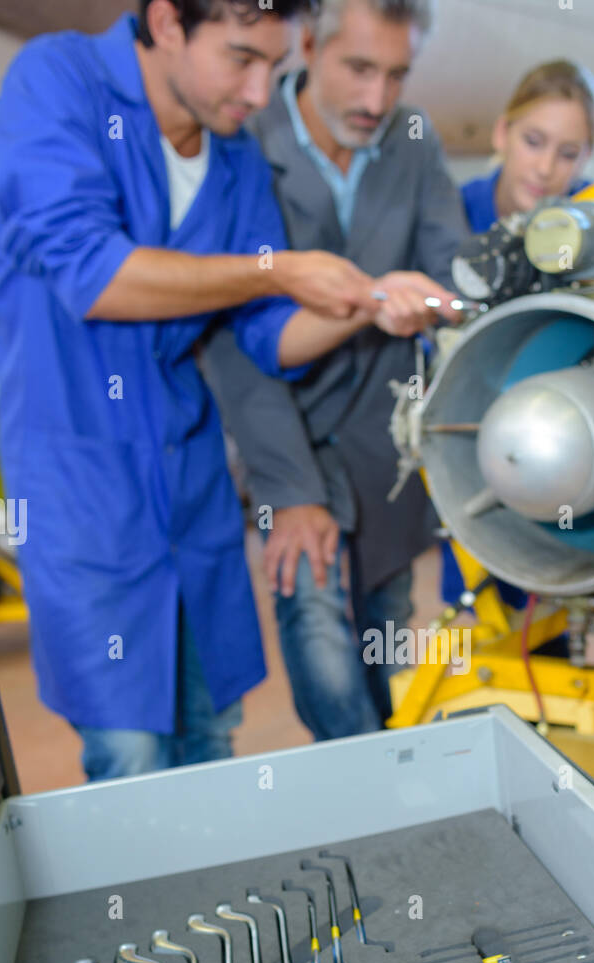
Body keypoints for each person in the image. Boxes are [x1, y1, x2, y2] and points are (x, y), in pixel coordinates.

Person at [0, 0, 454, 781]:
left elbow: (267, 333)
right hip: (81, 480)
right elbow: (91, 272)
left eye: (273, 65)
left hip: (191, 476)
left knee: (210, 739)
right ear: (167, 23)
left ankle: (212, 908)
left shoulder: (233, 156)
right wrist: (274, 270)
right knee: (128, 748)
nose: (262, 91)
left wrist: (367, 302)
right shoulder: (56, 82)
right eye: (241, 59)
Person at [203, 0, 469, 742]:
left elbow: (455, 269)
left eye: (396, 74)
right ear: (307, 45)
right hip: (285, 431)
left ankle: (379, 772)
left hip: (381, 438)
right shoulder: (243, 144)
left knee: (383, 623)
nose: (377, 100)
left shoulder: (413, 143)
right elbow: (231, 340)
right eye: (358, 69)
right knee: (316, 628)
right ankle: (370, 786)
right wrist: (288, 492)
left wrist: (442, 295)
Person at [442, 59, 594, 608]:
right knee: (479, 601)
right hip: (471, 443)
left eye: (567, 153)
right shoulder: (452, 217)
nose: (546, 169)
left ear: (587, 159)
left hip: (570, 444)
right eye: (534, 141)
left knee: (565, 598)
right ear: (501, 133)